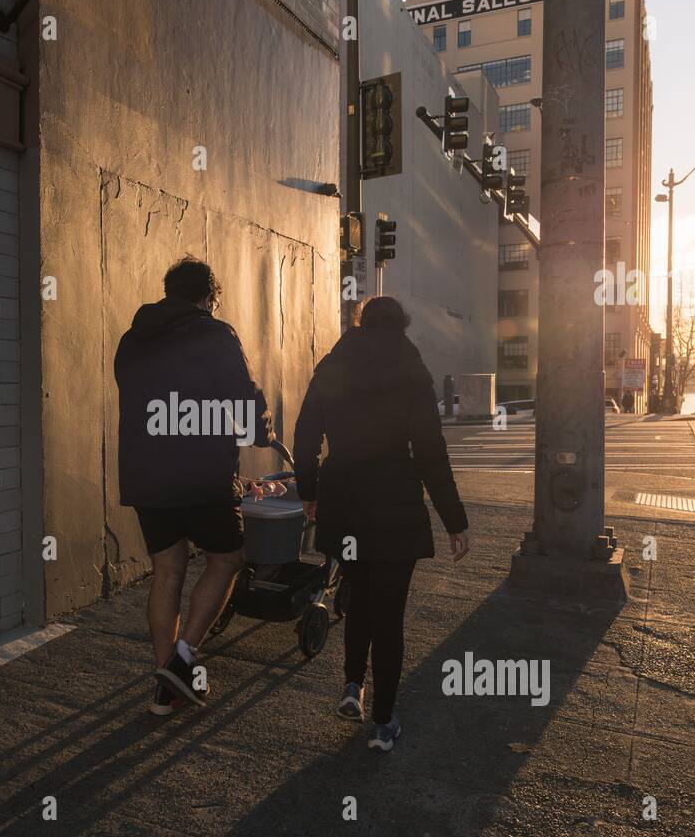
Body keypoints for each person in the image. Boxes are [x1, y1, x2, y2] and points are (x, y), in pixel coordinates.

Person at [293, 296, 470, 752]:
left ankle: (353, 685)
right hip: (394, 506)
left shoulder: (334, 364)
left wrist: (309, 490)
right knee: (388, 613)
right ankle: (384, 723)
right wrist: (455, 521)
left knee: (358, 593)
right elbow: (431, 452)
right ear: (402, 326)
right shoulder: (411, 371)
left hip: (345, 501)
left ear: (360, 321)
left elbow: (306, 432)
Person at [114, 257, 273, 716]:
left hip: (146, 476)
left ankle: (166, 686)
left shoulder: (132, 339)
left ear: (168, 292)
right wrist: (262, 432)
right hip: (201, 473)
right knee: (228, 558)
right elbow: (244, 404)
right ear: (209, 297)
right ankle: (182, 660)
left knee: (168, 570)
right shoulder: (216, 333)